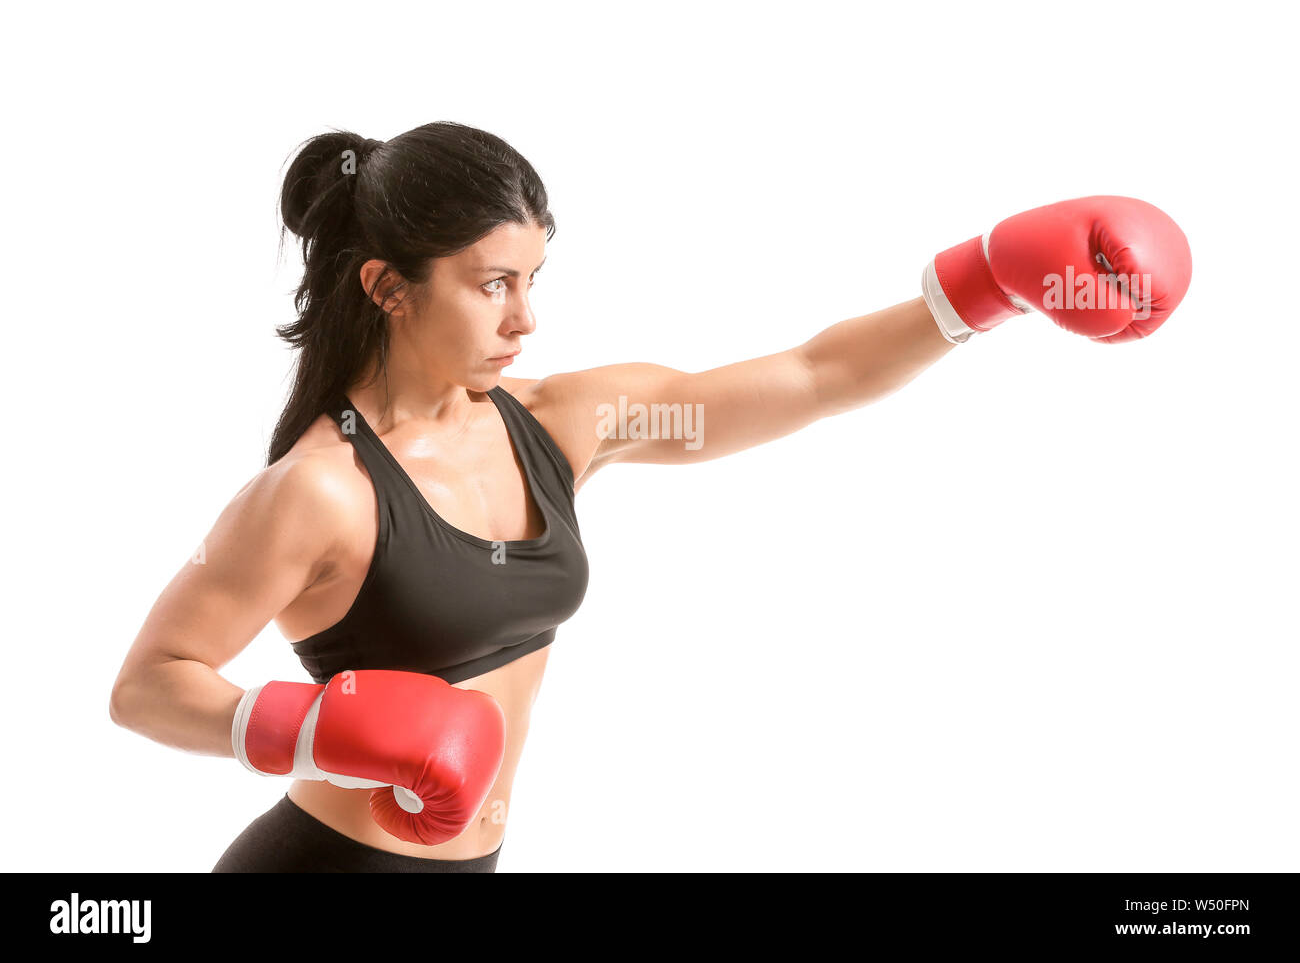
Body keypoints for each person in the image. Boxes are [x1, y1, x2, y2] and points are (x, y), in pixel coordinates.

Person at [108, 121, 1192, 872]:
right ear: (388, 286)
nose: (525, 318)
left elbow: (811, 376)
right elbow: (148, 685)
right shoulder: (320, 493)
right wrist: (313, 724)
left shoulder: (561, 426)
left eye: (534, 279)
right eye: (493, 283)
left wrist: (988, 282)